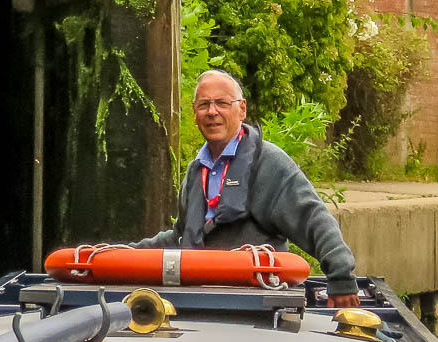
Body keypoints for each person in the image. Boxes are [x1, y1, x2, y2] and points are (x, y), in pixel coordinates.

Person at [133, 69, 362, 307]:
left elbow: (314, 220)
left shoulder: (270, 164)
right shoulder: (195, 172)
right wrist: (121, 254)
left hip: (257, 305)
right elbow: (180, 237)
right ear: (194, 112)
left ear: (241, 109)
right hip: (197, 304)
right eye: (204, 105)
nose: (212, 112)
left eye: (222, 103)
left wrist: (341, 278)